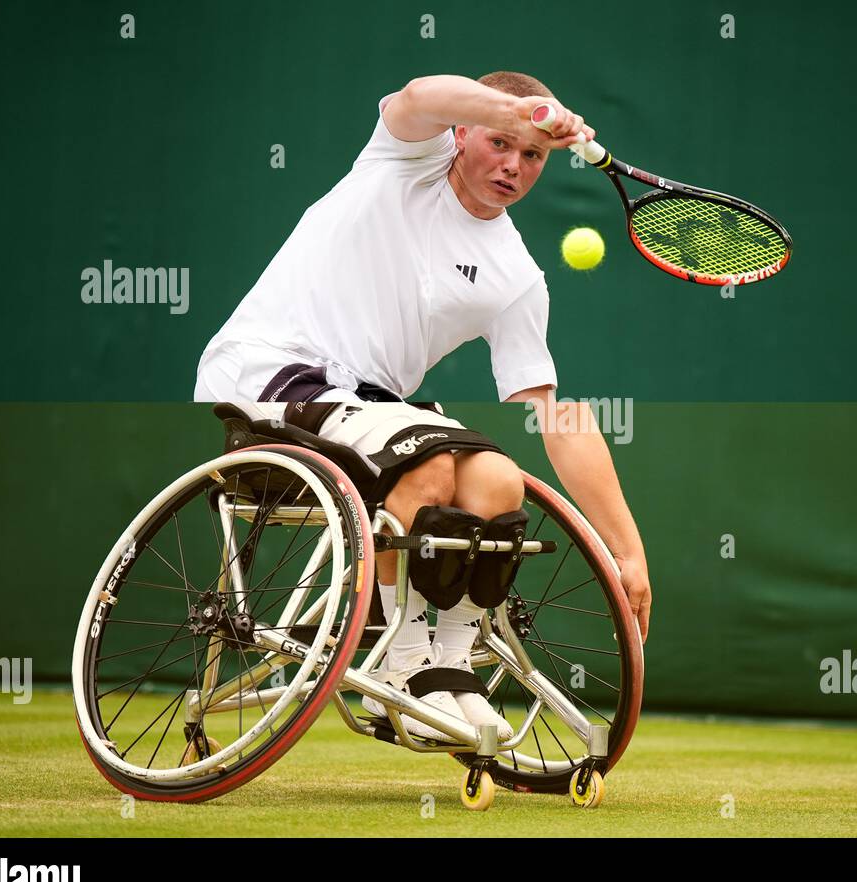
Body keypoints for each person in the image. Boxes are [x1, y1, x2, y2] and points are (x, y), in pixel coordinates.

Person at [194, 72, 651, 741]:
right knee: (429, 462)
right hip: (265, 372)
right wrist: (526, 111)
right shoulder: (405, 160)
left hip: (368, 412)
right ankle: (402, 668)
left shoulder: (517, 277)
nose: (514, 165)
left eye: (532, 155)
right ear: (462, 133)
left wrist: (628, 552)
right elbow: (418, 96)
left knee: (497, 479)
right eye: (501, 142)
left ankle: (449, 665)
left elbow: (554, 417)